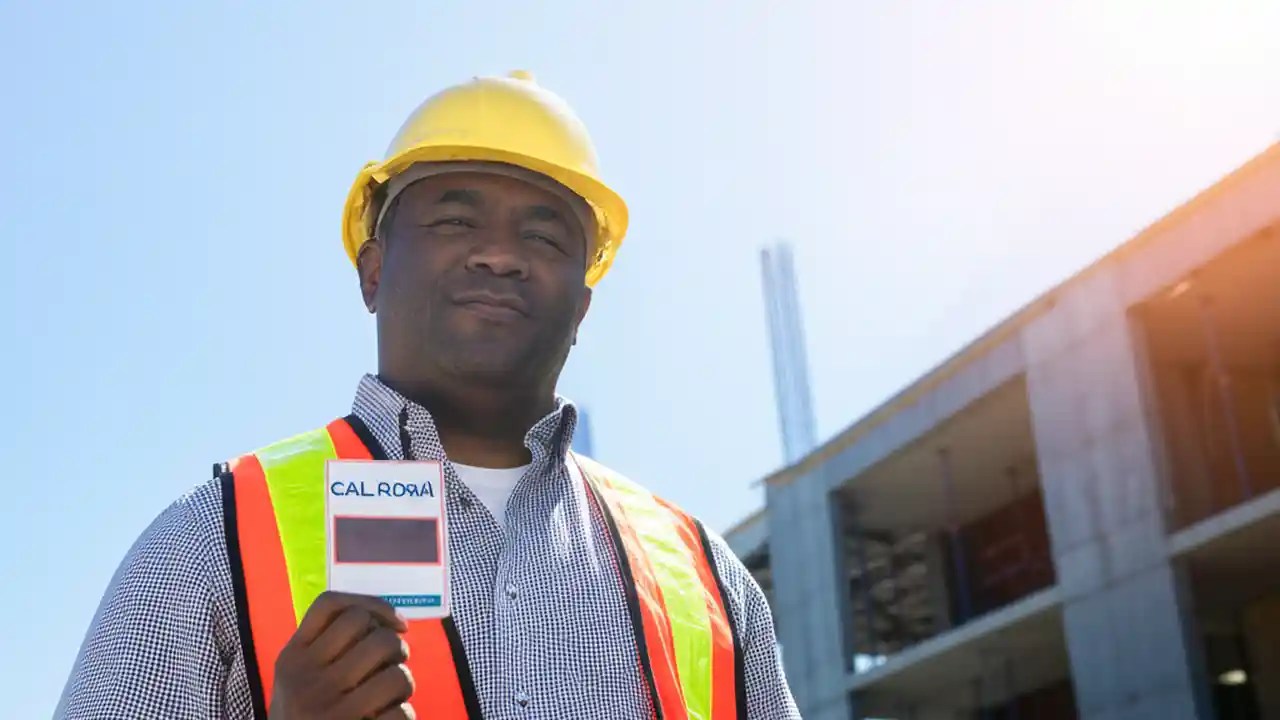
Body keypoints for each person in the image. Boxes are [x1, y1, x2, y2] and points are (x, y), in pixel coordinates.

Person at [57, 70, 799, 720]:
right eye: (455, 219)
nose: (500, 254)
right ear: (372, 272)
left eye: (545, 237)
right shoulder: (209, 542)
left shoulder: (706, 581)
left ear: (582, 309)